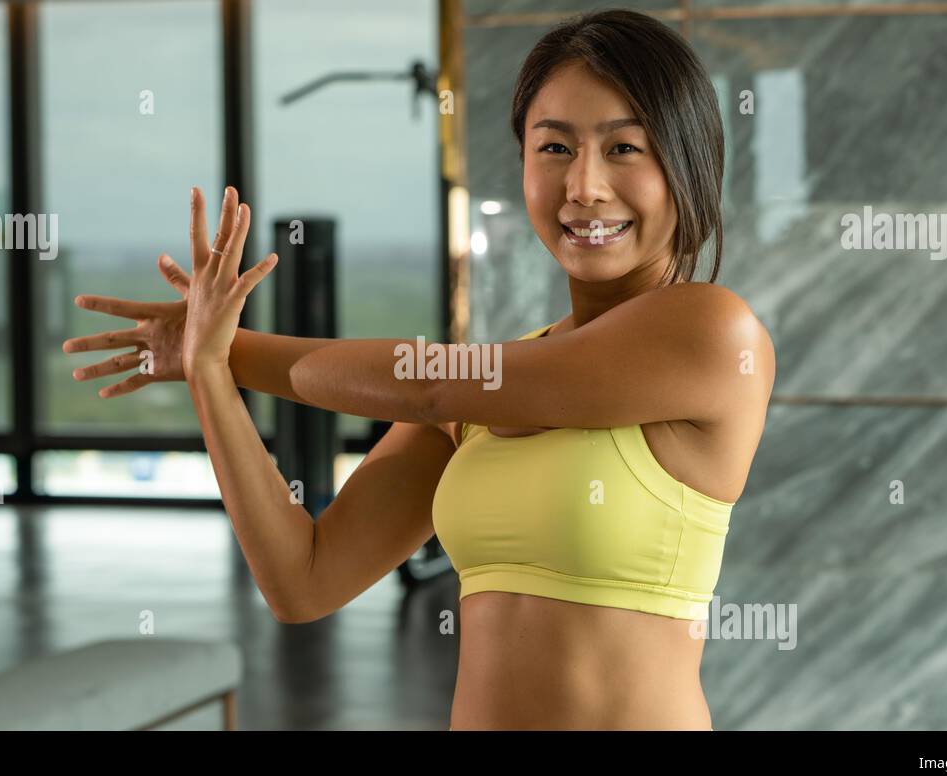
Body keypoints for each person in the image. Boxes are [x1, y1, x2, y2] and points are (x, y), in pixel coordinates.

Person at [62, 8, 775, 730]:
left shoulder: (710, 332)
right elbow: (302, 579)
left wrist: (234, 349)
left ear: (687, 162)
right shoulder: (490, 388)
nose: (584, 185)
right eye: (554, 146)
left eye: (623, 148)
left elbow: (429, 381)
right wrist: (208, 373)